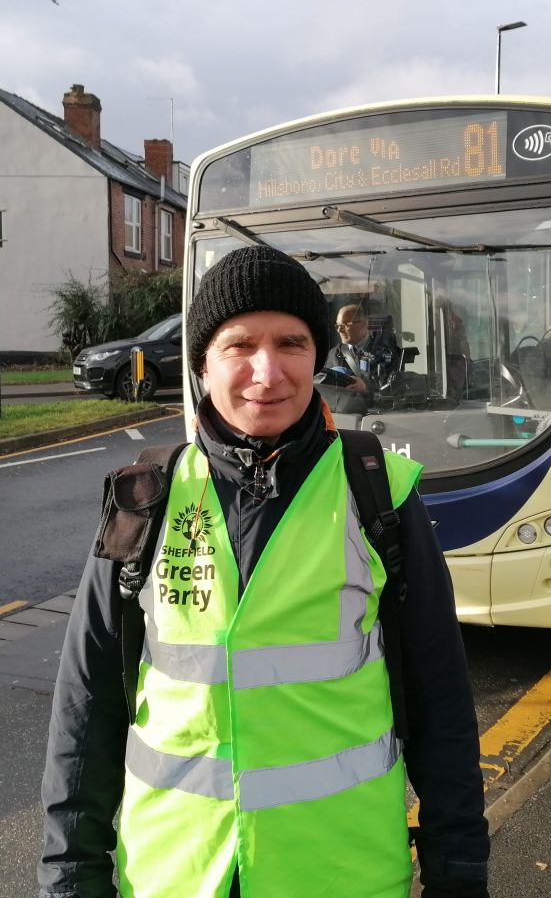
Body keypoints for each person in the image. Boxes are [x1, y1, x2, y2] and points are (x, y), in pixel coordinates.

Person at [38, 245, 489, 898]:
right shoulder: (145, 496)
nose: (267, 371)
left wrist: (460, 872)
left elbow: (440, 702)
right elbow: (86, 709)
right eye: (239, 345)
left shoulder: (378, 494)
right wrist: (68, 879)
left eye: (291, 343)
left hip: (342, 874)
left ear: (318, 356)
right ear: (201, 362)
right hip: (174, 877)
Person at [326, 303, 403, 401]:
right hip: (343, 413)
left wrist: (366, 389)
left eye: (345, 325)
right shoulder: (334, 354)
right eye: (338, 325)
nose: (340, 330)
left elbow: (393, 393)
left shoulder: (385, 354)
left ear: (364, 323)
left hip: (375, 414)